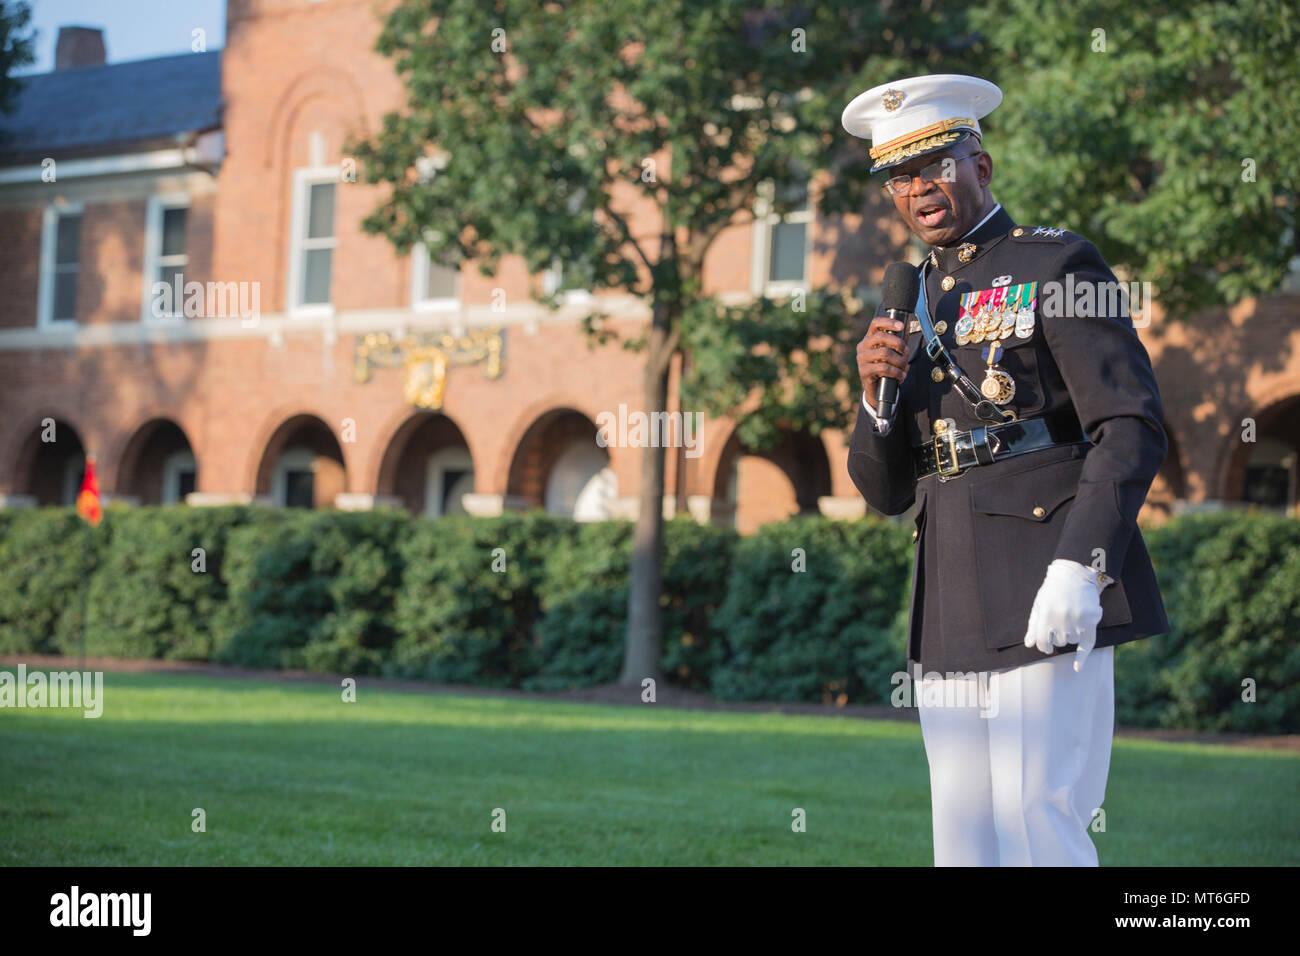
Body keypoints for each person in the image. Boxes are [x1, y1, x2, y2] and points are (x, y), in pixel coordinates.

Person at [841, 74, 1169, 866]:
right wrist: (876, 402)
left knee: (1038, 818)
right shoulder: (908, 299)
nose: (918, 187)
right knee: (963, 837)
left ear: (979, 166)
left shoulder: (1057, 266)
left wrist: (1081, 566)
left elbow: (1130, 425)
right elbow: (887, 493)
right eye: (899, 176)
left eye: (935, 164)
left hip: (1043, 569)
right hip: (948, 586)